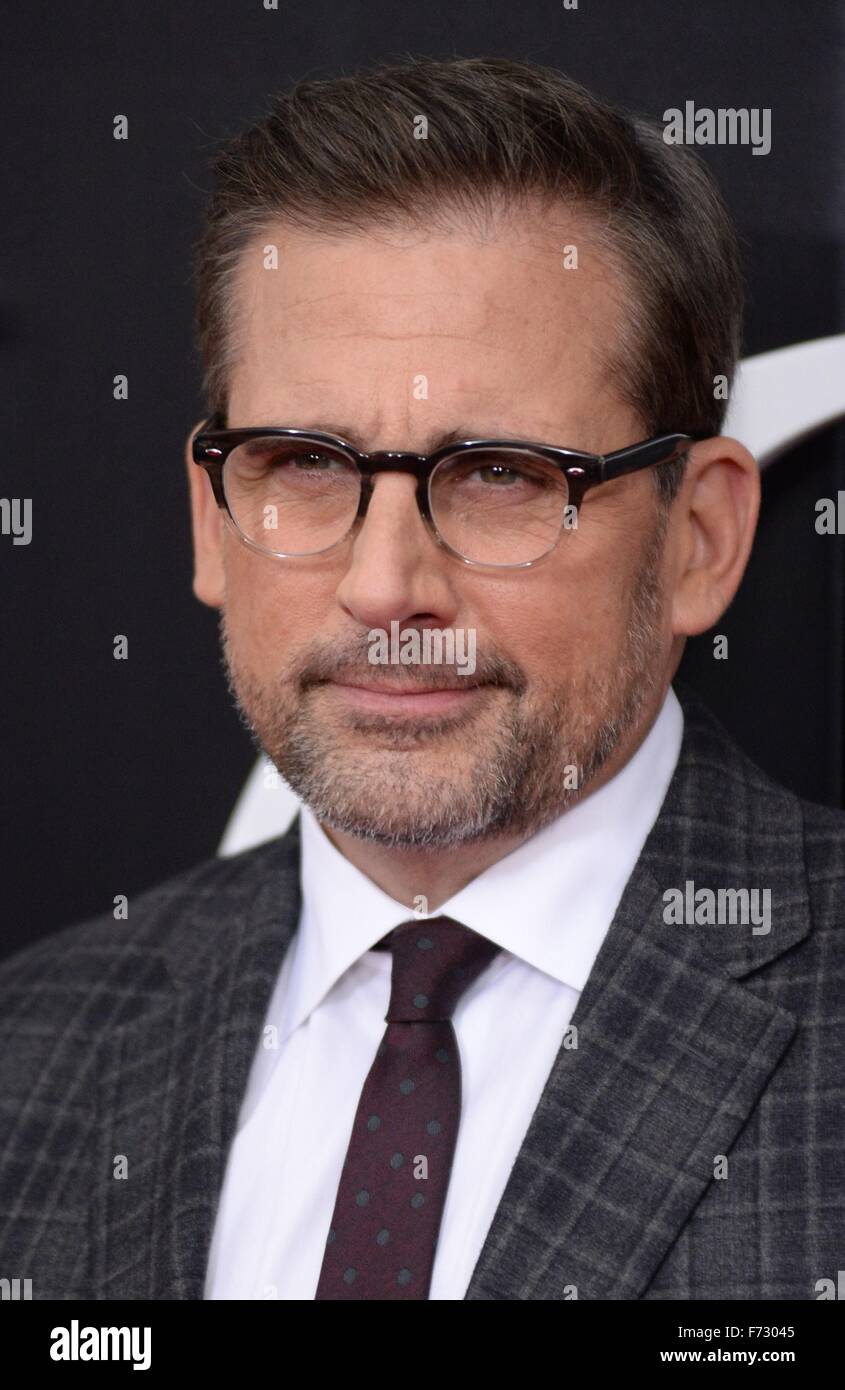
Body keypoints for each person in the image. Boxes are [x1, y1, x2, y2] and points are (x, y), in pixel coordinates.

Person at [1, 55, 842, 1302]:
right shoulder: (29, 1045)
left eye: (500, 471)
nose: (385, 587)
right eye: (304, 462)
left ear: (697, 539)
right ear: (209, 517)